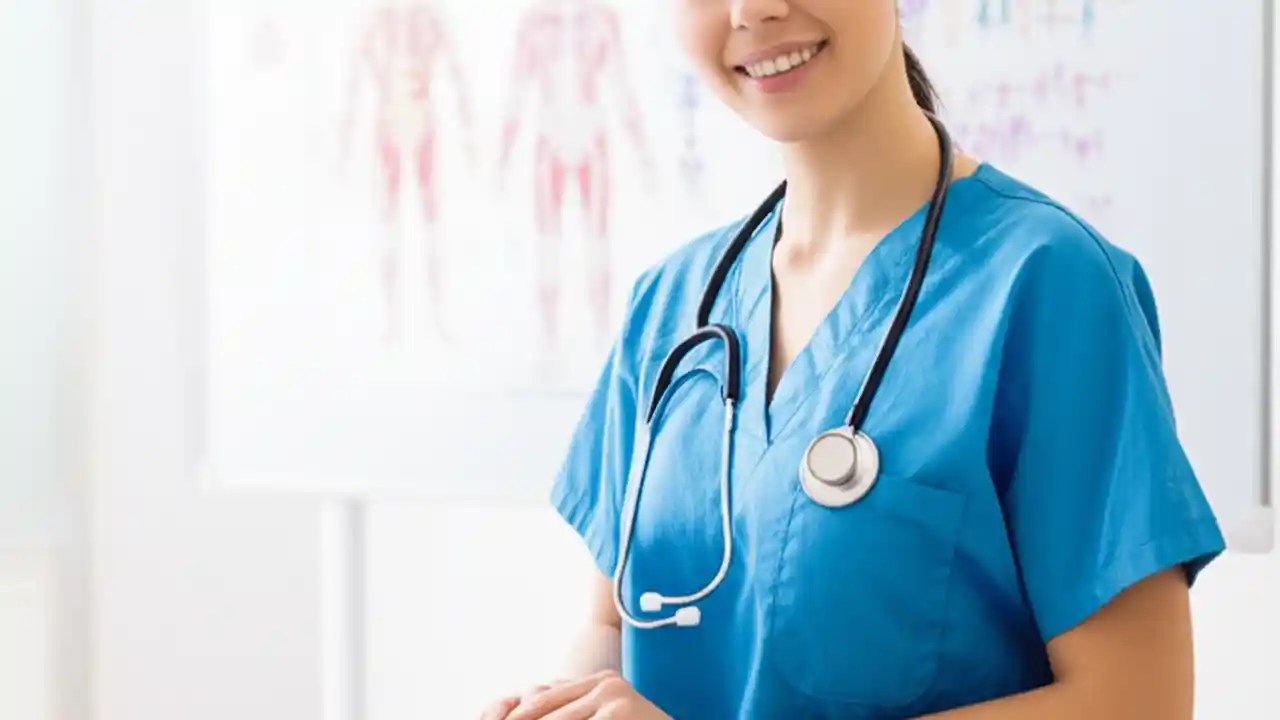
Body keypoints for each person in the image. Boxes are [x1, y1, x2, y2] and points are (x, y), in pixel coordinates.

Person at [482, 1, 1225, 718]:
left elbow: (1138, 702)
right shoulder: (672, 308)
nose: (753, 10)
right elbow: (612, 631)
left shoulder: (1047, 284)